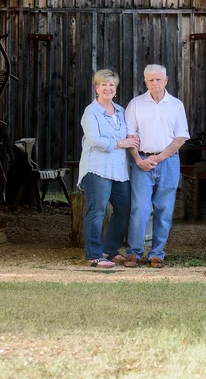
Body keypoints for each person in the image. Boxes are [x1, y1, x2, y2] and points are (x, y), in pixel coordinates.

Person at [124, 64, 189, 268]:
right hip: (142, 161)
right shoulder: (135, 104)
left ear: (166, 80)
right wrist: (138, 159)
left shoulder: (176, 105)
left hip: (169, 162)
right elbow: (130, 136)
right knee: (140, 208)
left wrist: (158, 158)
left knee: (164, 208)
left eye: (158, 79)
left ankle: (157, 253)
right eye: (151, 80)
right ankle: (134, 252)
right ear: (145, 82)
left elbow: (180, 138)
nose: (155, 83)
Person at [77, 69, 140, 268]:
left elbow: (131, 135)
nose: (108, 88)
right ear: (96, 88)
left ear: (116, 88)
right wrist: (122, 143)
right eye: (103, 84)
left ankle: (110, 250)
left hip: (119, 170)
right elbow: (95, 140)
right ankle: (94, 255)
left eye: (111, 85)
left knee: (123, 208)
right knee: (97, 210)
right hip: (97, 168)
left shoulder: (121, 111)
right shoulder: (91, 111)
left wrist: (134, 141)